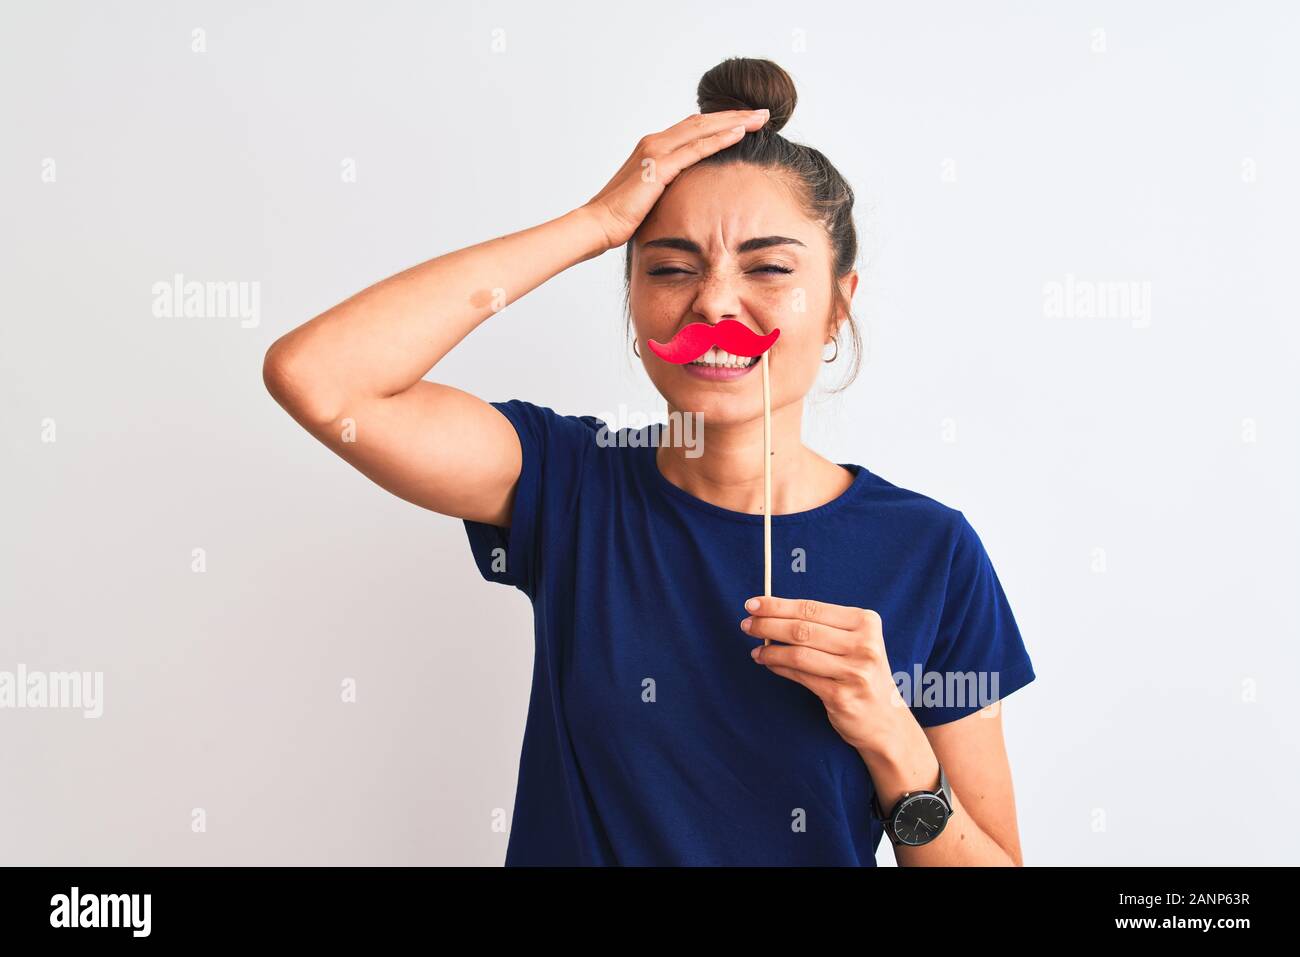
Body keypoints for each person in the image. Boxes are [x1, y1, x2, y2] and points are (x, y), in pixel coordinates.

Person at [263, 56, 1036, 866]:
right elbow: (318, 378)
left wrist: (895, 742)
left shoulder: (934, 553)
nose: (713, 303)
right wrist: (596, 222)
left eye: (770, 268)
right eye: (670, 268)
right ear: (633, 304)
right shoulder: (567, 482)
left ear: (839, 304)